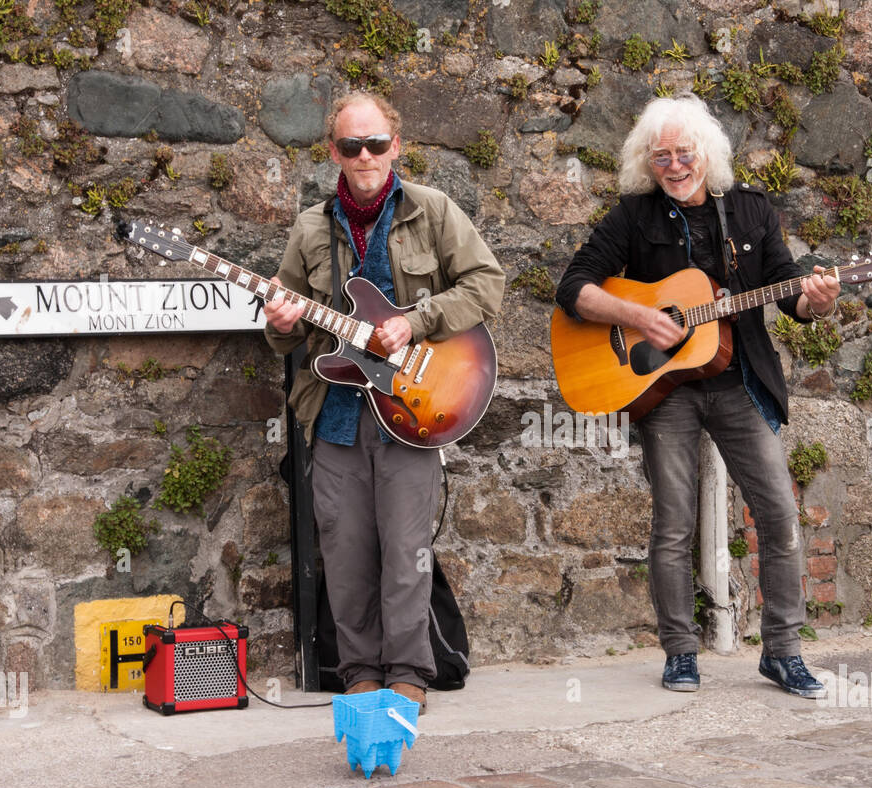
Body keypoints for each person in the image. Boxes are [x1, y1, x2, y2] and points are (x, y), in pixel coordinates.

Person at [555, 94, 841, 696]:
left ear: (707, 153)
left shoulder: (752, 212)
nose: (676, 166)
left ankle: (784, 651)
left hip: (739, 382)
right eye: (662, 157)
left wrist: (812, 301)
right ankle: (680, 651)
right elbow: (573, 289)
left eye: (685, 153)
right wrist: (639, 314)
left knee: (780, 514)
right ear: (647, 162)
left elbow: (785, 286)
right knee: (673, 525)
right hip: (669, 392)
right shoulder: (633, 219)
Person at [263, 92, 504, 712]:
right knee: (344, 554)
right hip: (337, 414)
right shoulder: (311, 229)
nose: (364, 155)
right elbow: (283, 331)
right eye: (351, 146)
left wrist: (417, 321)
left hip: (412, 409)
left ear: (396, 145)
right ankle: (360, 673)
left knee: (405, 551)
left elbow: (487, 284)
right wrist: (283, 321)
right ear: (333, 152)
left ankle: (408, 673)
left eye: (375, 144)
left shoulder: (433, 210)